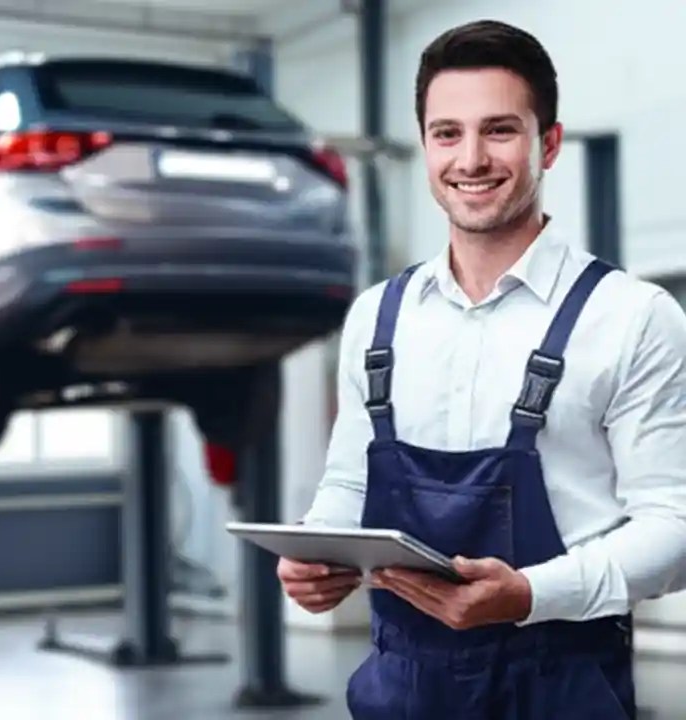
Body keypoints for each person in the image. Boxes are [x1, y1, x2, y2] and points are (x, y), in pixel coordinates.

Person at [279, 19, 686, 719]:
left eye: (499, 130)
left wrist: (530, 595)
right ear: (426, 143)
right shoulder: (378, 318)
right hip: (400, 687)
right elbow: (350, 480)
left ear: (547, 144)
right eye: (446, 133)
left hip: (560, 684)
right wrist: (319, 554)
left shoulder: (633, 317)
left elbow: (676, 526)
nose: (470, 158)